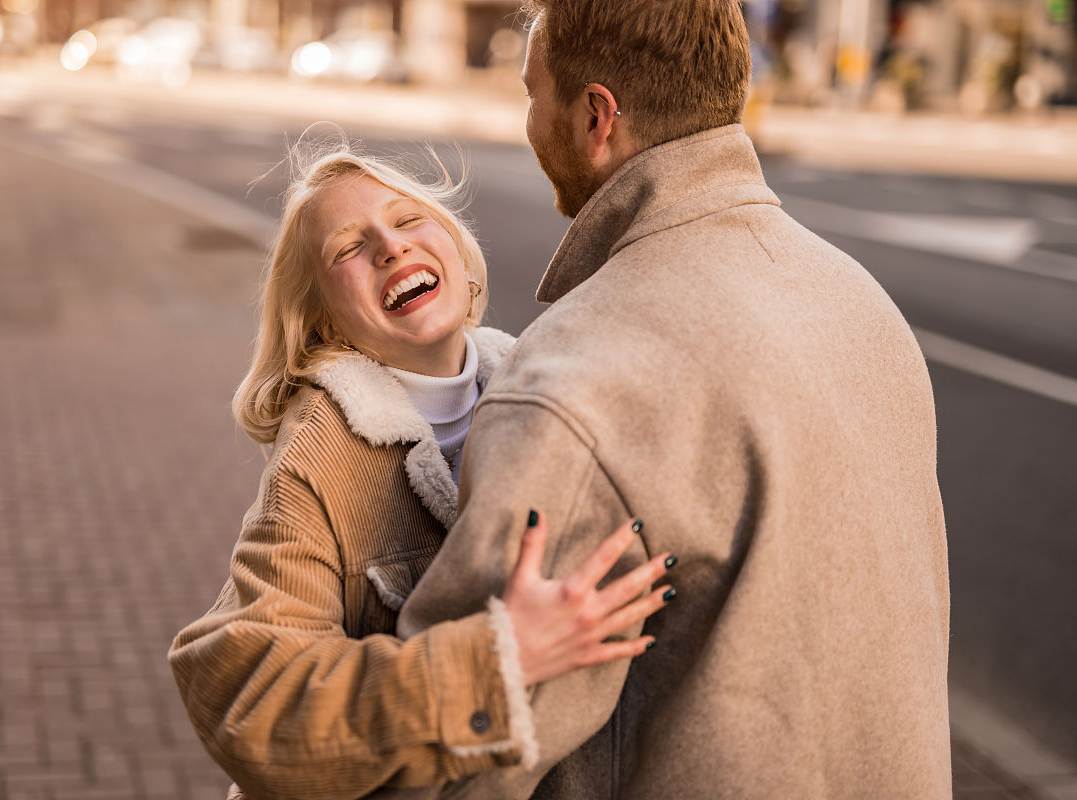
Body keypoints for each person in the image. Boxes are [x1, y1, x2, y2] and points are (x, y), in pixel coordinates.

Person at [383, 0, 952, 797]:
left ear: (596, 117)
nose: (529, 120)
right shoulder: (862, 302)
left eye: (532, 94)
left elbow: (455, 759)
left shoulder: (578, 377)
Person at [167, 142, 676, 800]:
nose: (390, 246)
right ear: (324, 324)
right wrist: (498, 661)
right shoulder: (318, 457)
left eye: (408, 220)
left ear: (458, 256)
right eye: (348, 248)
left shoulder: (550, 390)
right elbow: (252, 697)